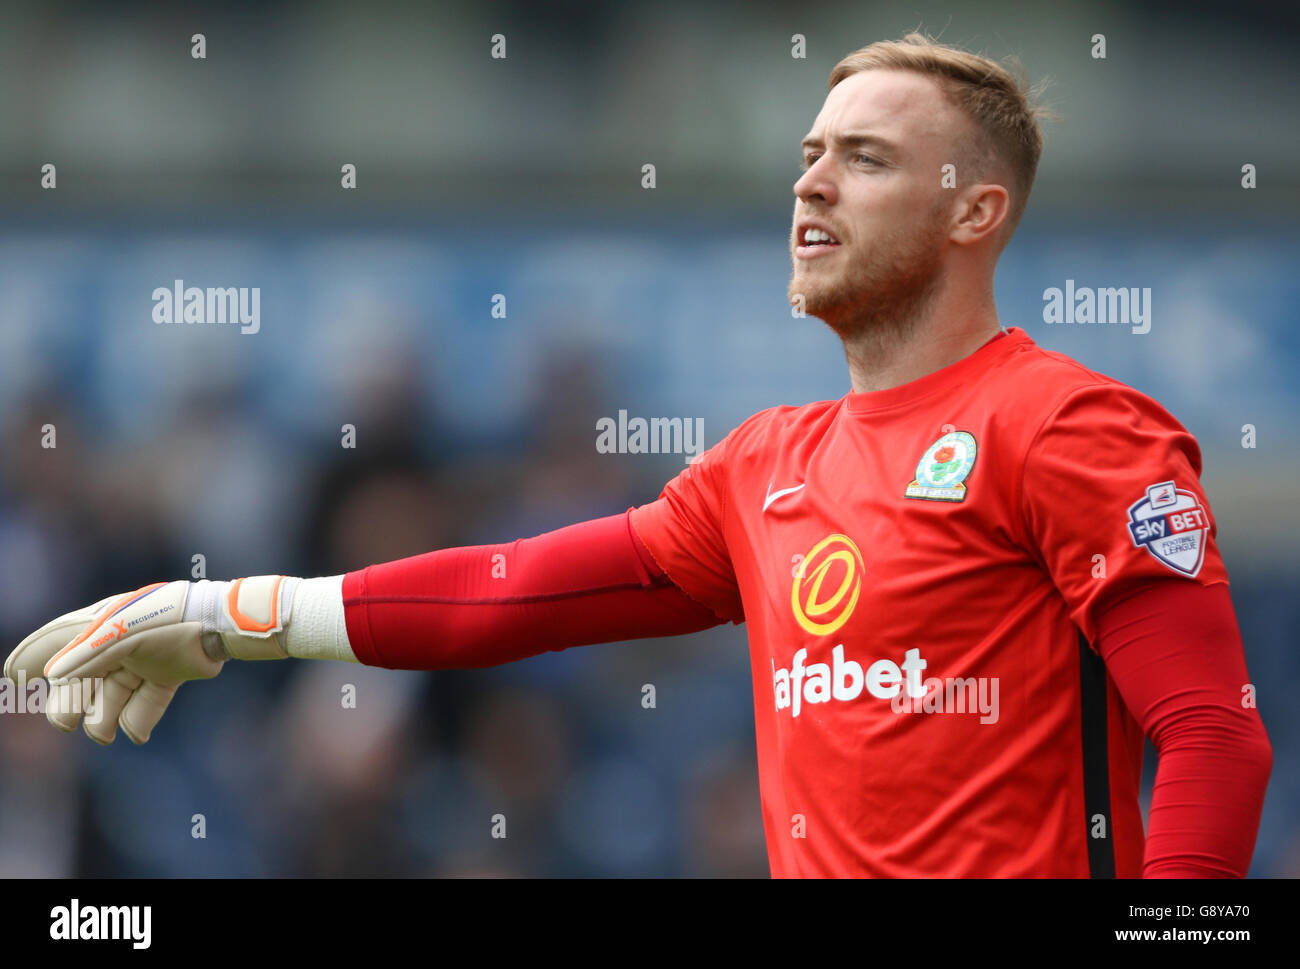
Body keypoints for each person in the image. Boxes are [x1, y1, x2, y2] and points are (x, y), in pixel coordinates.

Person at [7, 33, 1271, 878]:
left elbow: (1214, 736)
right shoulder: (761, 467)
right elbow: (510, 591)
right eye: (809, 156)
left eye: (865, 159)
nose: (812, 186)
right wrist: (224, 611)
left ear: (973, 212)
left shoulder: (1071, 428)